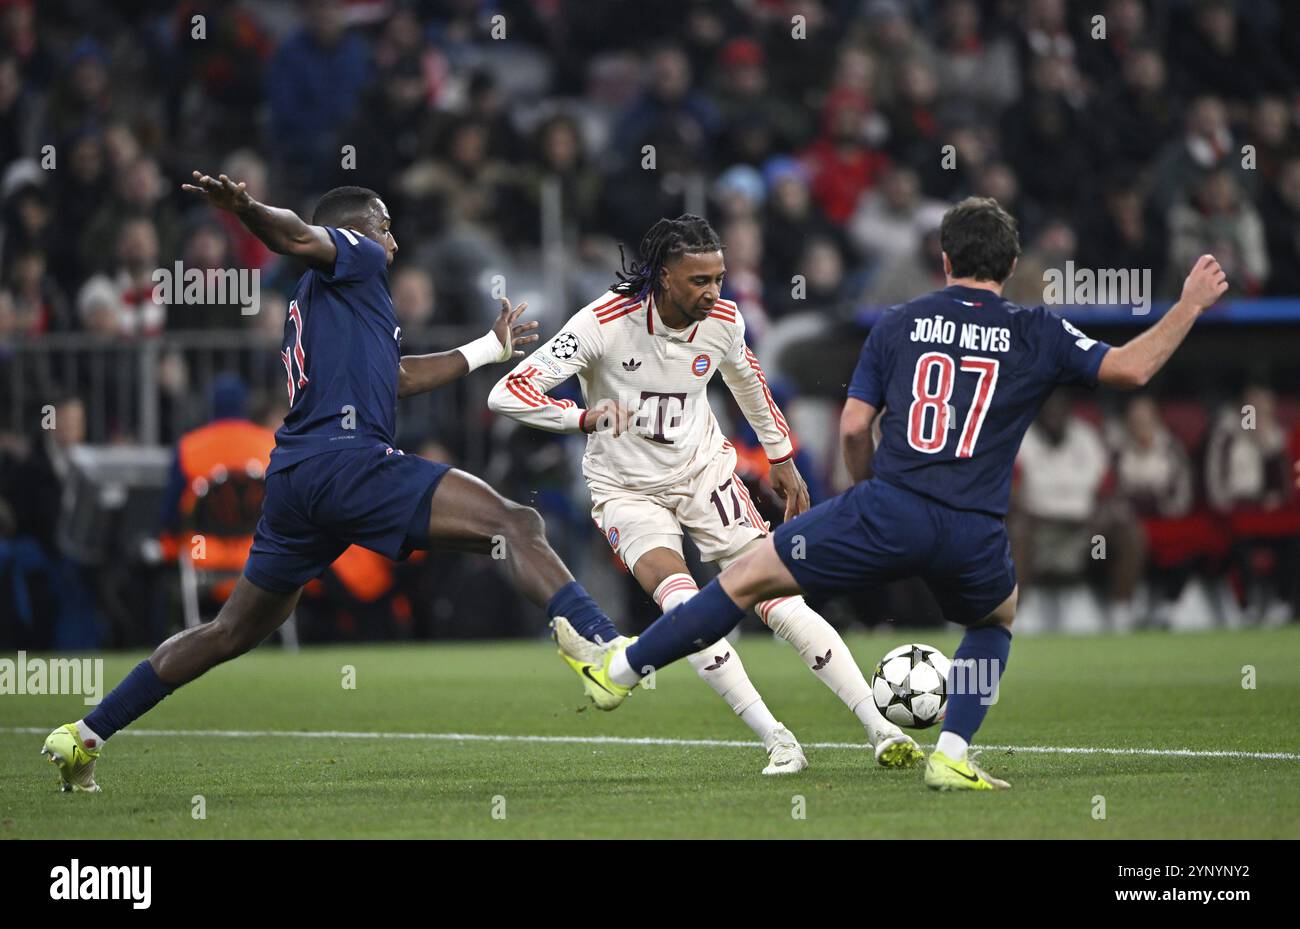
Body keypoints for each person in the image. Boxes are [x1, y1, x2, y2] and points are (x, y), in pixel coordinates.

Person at [554, 197, 1229, 791]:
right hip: (974, 527)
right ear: (1012, 262)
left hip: (887, 507)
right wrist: (1190, 304)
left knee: (743, 581)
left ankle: (624, 667)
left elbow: (853, 425)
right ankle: (953, 753)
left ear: (944, 259)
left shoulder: (901, 321)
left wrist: (864, 492)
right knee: (993, 623)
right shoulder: (1038, 330)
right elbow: (1133, 368)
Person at [40, 175, 619, 793]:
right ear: (359, 230)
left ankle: (83, 735)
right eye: (386, 226)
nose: (393, 242)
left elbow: (395, 378)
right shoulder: (360, 258)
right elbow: (293, 232)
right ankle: (604, 647)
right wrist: (245, 211)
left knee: (229, 632)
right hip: (349, 462)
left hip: (295, 479)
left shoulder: (325, 300)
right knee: (516, 523)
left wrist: (486, 348)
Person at [489, 215, 922, 774]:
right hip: (627, 490)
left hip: (704, 475)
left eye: (718, 277)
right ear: (664, 277)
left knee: (781, 600)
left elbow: (747, 381)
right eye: (699, 281)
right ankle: (778, 739)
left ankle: (880, 727)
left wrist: (781, 457)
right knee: (684, 606)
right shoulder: (602, 321)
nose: (713, 291)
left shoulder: (722, 319)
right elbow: (508, 392)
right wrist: (580, 417)